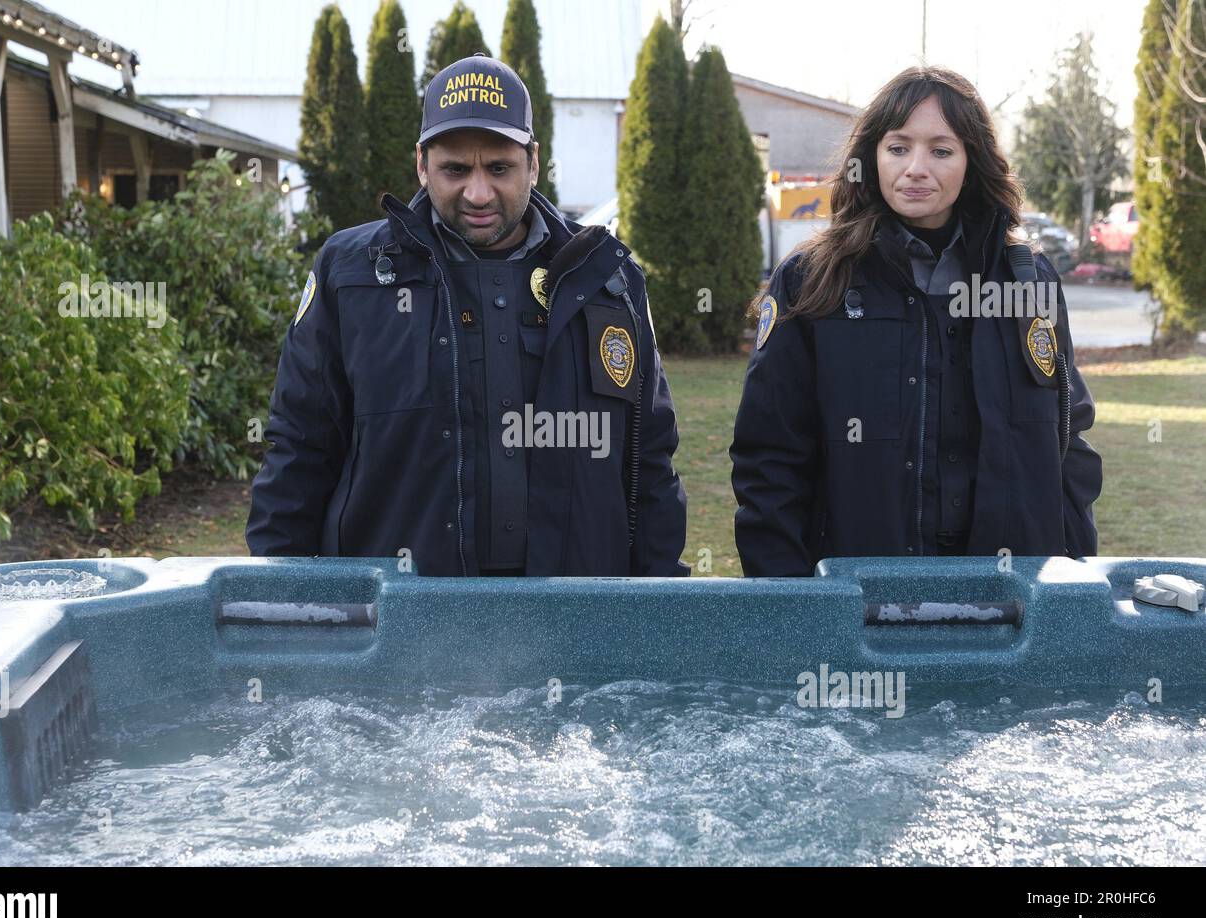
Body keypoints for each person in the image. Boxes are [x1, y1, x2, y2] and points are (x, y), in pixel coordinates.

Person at [247, 55, 688, 577]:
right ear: (421, 163)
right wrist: (284, 601)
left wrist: (661, 609)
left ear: (534, 161)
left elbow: (650, 462)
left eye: (499, 168)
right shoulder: (351, 275)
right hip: (399, 627)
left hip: (575, 625)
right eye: (455, 169)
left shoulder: (606, 279)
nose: (478, 194)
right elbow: (299, 449)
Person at [730, 66, 1102, 577]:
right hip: (855, 598)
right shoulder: (812, 279)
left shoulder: (1027, 280)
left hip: (1012, 597)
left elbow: (1068, 439)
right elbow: (769, 457)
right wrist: (790, 603)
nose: (916, 168)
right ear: (872, 157)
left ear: (973, 162)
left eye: (941, 151)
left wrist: (1074, 571)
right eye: (898, 147)